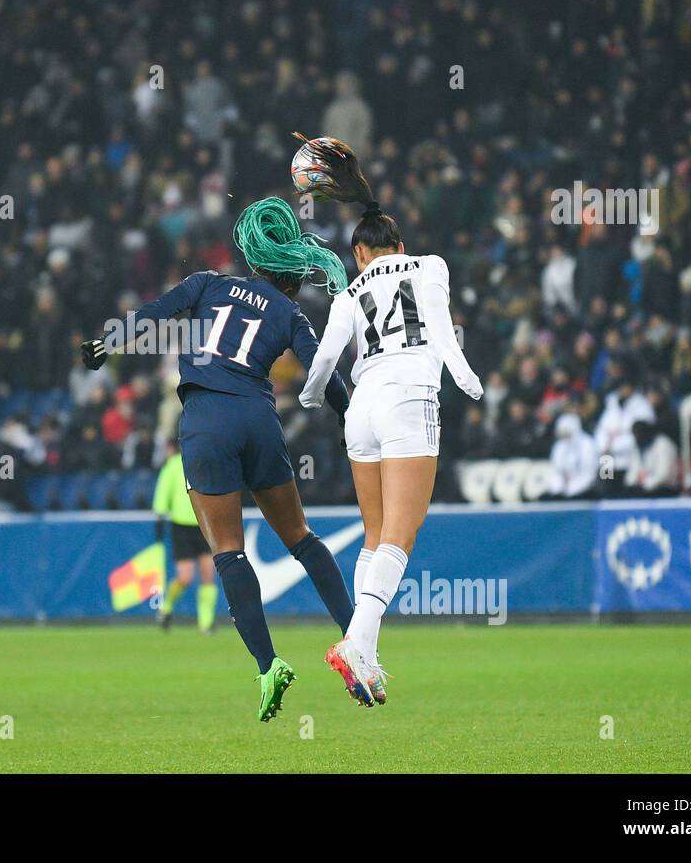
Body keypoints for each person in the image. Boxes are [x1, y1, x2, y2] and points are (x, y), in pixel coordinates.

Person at [81, 196, 353, 722]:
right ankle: (355, 635)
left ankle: (269, 664)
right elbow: (324, 371)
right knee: (300, 538)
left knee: (228, 552)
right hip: (257, 419)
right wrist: (350, 417)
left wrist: (106, 342)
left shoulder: (206, 283)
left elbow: (152, 316)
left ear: (252, 259)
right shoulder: (289, 311)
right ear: (290, 272)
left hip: (205, 424)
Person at [298, 136, 483, 707]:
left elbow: (325, 359)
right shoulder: (429, 265)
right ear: (399, 244)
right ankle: (356, 643)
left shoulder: (350, 292)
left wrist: (308, 398)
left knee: (374, 537)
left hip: (361, 407)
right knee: (401, 537)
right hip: (408, 395)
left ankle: (368, 659)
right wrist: (466, 376)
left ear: (358, 255)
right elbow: (441, 328)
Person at [151, 441, 217, 633]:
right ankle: (166, 607)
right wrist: (159, 517)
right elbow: (162, 494)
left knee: (207, 573)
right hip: (181, 526)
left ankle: (206, 623)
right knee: (185, 577)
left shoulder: (204, 463)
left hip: (204, 524)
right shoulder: (172, 466)